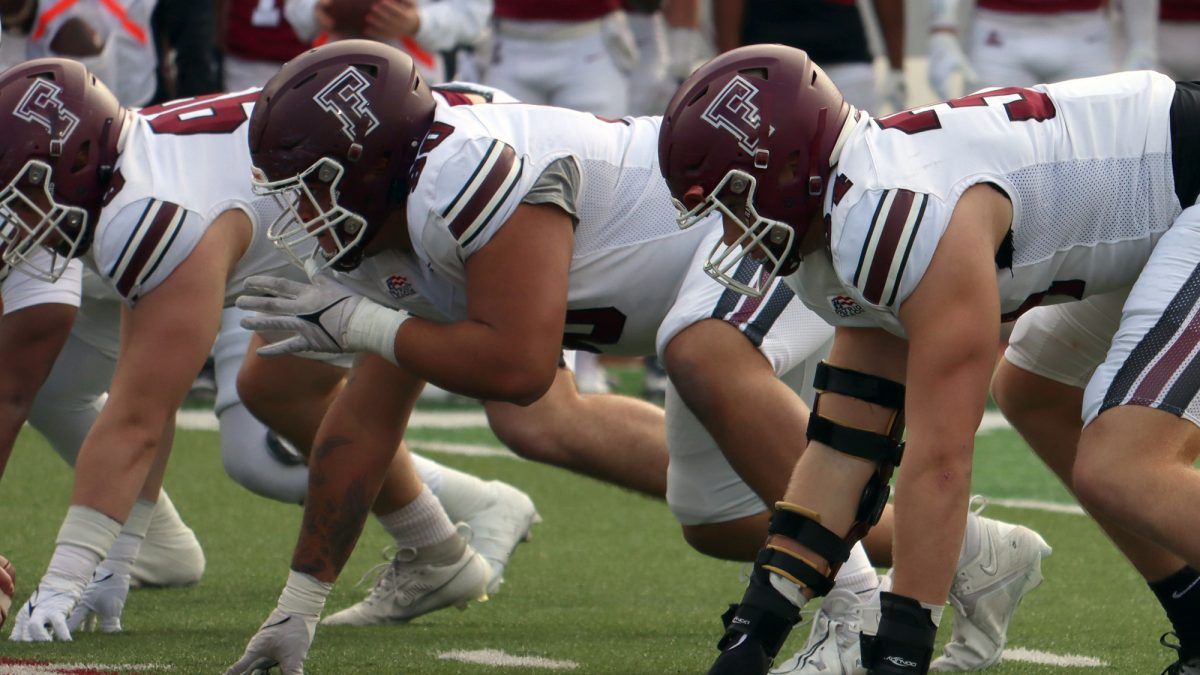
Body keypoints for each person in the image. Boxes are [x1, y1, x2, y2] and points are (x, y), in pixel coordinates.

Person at [227, 39, 1044, 673]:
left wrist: (362, 325)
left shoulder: (458, 176)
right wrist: (299, 599)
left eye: (312, 183)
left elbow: (515, 364)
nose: (297, 210)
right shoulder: (380, 227)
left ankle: (857, 610)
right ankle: (976, 554)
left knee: (702, 350)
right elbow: (365, 417)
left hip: (750, 221)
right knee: (718, 520)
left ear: (372, 162)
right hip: (694, 285)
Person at [658, 44, 1200, 674]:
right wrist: (756, 627)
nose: (730, 235)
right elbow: (844, 446)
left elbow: (940, 462)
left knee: (1125, 466)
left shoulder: (892, 220)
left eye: (734, 203)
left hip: (1187, 183)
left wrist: (903, 648)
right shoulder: (851, 217)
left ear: (787, 166)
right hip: (1165, 200)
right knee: (1035, 387)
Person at [0, 59, 534, 642]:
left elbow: (136, 422)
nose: (14, 219)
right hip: (355, 206)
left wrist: (62, 582)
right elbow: (147, 396)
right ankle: (437, 552)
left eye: (21, 194)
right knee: (273, 388)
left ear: (76, 164)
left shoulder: (147, 215)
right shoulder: (131, 186)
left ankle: (485, 512)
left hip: (453, 162)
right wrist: (114, 563)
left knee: (544, 420)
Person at [927, 0, 1159, 100]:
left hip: (1085, 34)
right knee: (989, 153)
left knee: (1094, 155)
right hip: (999, 33)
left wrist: (1142, 42)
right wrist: (942, 29)